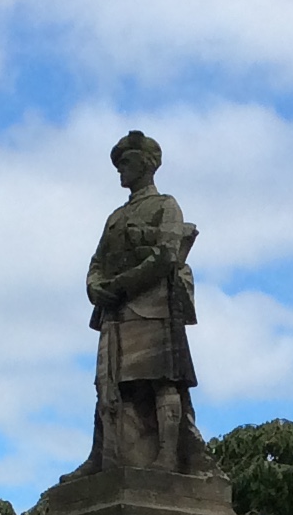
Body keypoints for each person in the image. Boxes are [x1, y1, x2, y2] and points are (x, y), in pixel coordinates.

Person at [77, 130, 210, 474]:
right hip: (115, 313)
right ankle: (102, 454)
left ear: (147, 164)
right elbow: (97, 261)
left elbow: (167, 255)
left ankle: (167, 454)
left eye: (127, 162)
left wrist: (122, 284)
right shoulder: (115, 217)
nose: (120, 169)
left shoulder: (165, 206)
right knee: (107, 385)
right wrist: (95, 287)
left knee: (162, 380)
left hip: (153, 307)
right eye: (119, 164)